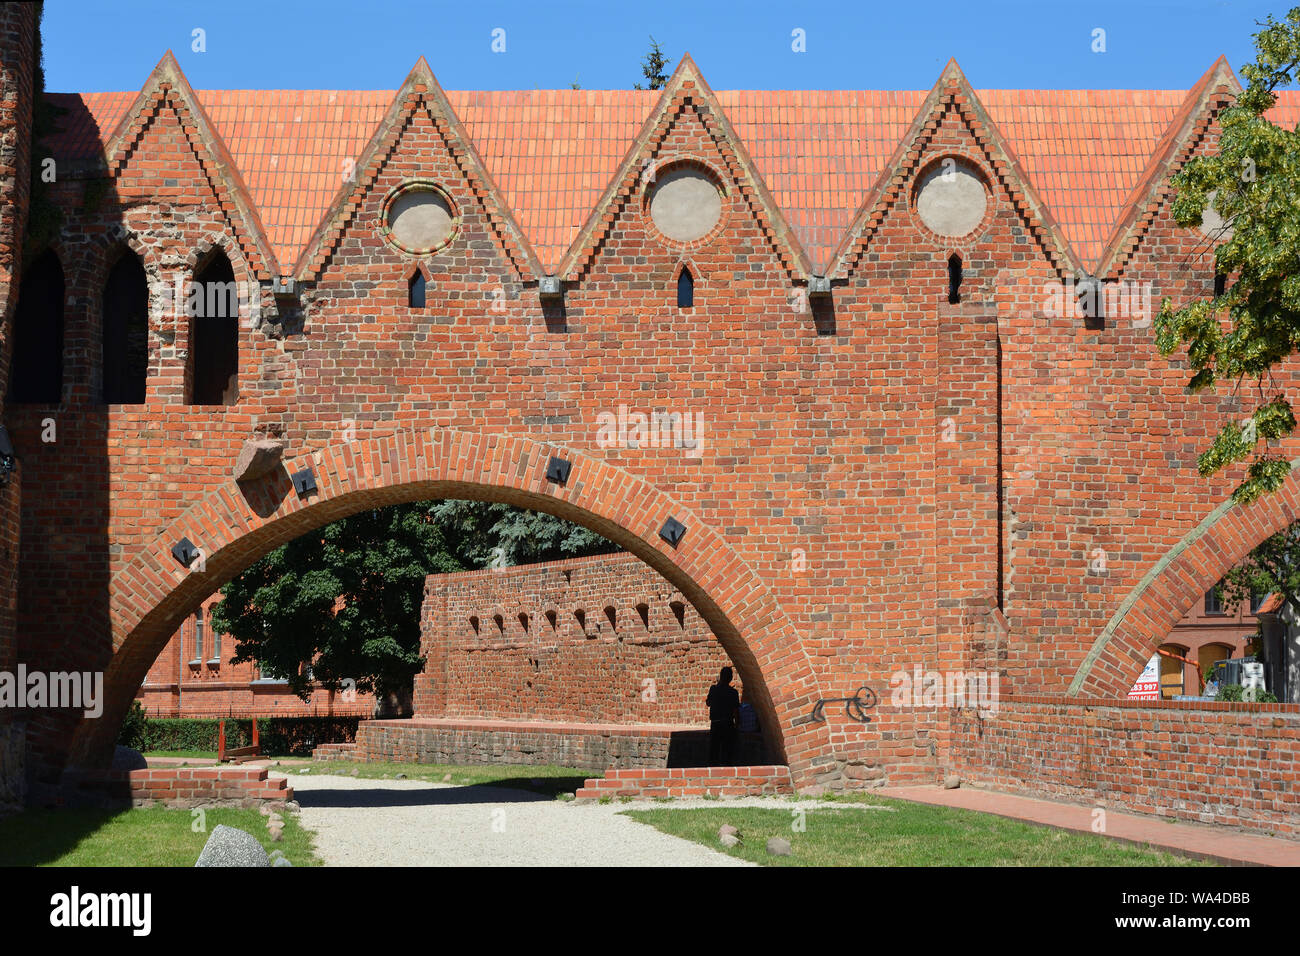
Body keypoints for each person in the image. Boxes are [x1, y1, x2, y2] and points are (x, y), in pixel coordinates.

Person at [706, 666, 740, 765]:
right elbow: (735, 710)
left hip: (715, 723)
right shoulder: (733, 692)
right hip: (728, 724)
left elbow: (708, 703)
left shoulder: (713, 689)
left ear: (720, 676)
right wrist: (737, 725)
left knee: (714, 751)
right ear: (730, 678)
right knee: (727, 752)